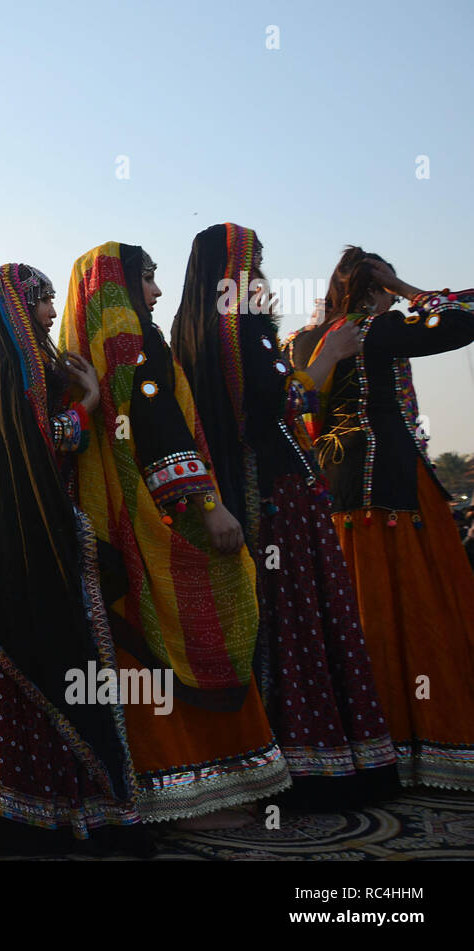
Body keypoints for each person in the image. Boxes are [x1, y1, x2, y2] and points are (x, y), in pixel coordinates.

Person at [58, 242, 291, 827]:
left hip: (113, 529)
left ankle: (157, 793)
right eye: (148, 279)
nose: (158, 293)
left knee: (135, 648)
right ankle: (198, 793)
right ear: (120, 287)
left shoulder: (79, 358)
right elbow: (161, 431)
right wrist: (209, 505)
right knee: (194, 635)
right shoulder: (139, 349)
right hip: (168, 517)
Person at [172, 225, 397, 803]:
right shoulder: (244, 329)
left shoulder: (192, 330)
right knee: (299, 613)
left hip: (248, 490)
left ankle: (268, 756)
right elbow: (284, 399)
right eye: (256, 261)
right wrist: (327, 358)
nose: (263, 273)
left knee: (276, 615)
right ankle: (312, 760)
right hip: (279, 492)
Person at [0, 263, 139, 851]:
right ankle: (61, 811)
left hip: (1, 554)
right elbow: (45, 440)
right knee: (52, 664)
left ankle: (16, 809)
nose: (51, 314)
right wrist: (87, 401)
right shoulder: (16, 375)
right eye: (41, 303)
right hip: (30, 553)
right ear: (14, 308)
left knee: (14, 676)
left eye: (54, 301)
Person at [286, 248, 474, 791]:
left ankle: (360, 741)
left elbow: (295, 404)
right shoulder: (380, 327)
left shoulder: (306, 339)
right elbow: (461, 321)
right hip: (391, 480)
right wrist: (405, 285)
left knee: (353, 603)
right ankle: (424, 740)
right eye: (384, 283)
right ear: (375, 285)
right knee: (414, 602)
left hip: (332, 482)